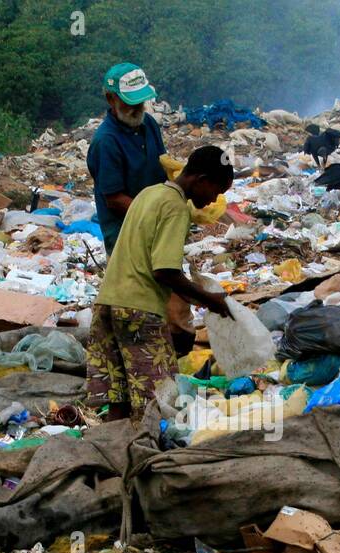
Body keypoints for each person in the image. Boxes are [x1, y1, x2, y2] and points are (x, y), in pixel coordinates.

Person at [86, 146, 235, 420]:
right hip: (138, 311)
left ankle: (110, 454)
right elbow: (164, 271)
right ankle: (149, 458)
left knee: (119, 399)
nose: (214, 200)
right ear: (200, 179)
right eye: (216, 191)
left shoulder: (148, 194)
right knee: (160, 402)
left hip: (107, 304)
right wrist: (208, 299)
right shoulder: (176, 208)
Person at [87, 63, 168, 257]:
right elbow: (114, 199)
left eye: (140, 101)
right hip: (125, 237)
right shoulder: (106, 141)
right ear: (110, 99)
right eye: (129, 102)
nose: (136, 107)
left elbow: (164, 165)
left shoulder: (148, 124)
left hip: (156, 230)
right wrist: (154, 216)